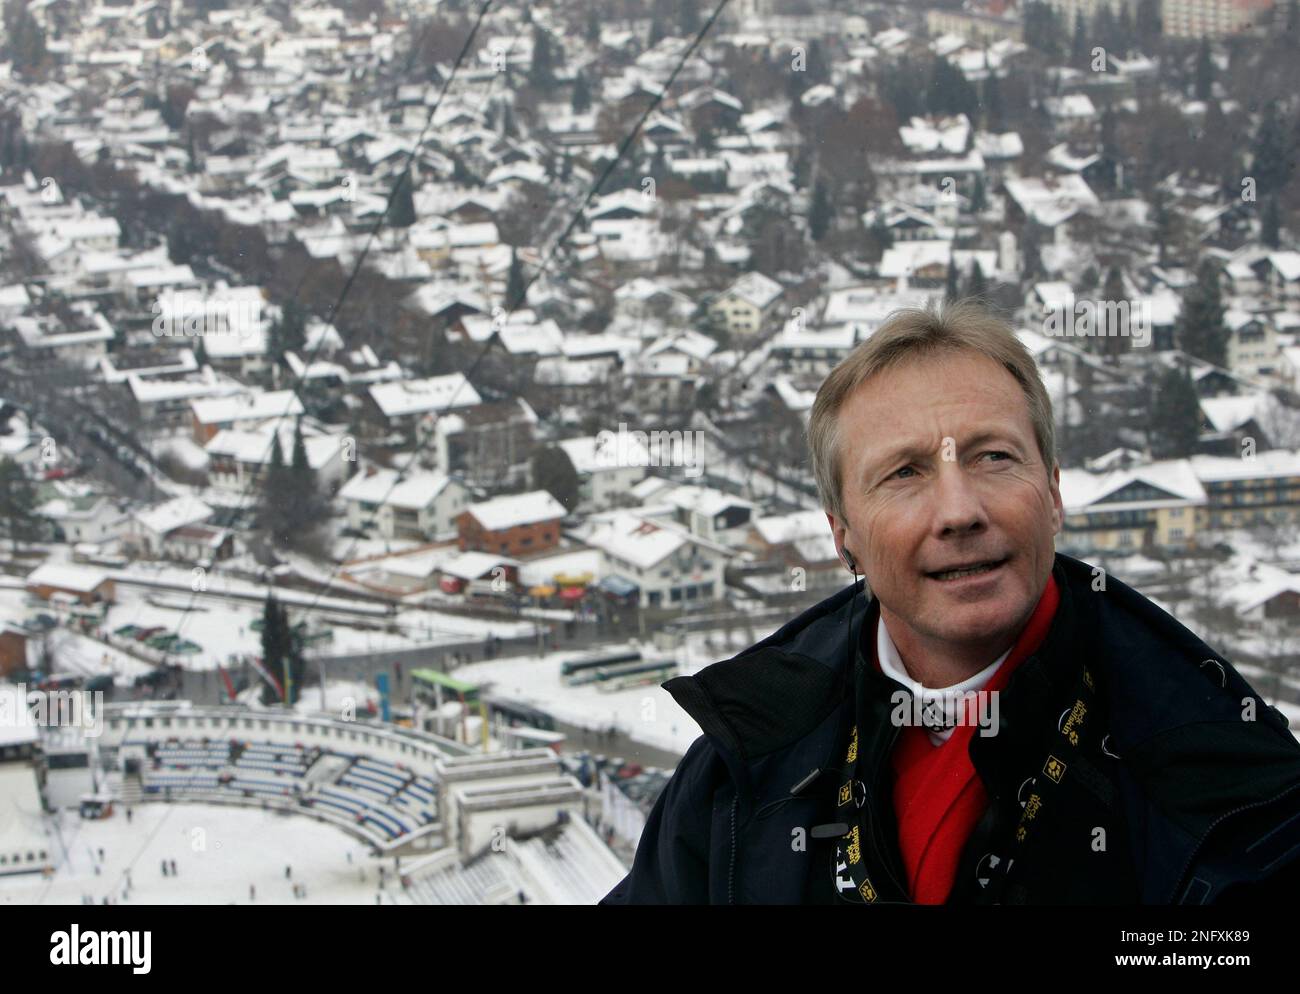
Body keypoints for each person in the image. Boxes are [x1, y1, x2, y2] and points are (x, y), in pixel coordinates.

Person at [601, 300, 1300, 906]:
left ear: (1052, 494)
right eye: (904, 473)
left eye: (993, 456)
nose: (959, 510)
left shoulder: (1228, 787)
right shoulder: (743, 762)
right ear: (843, 535)